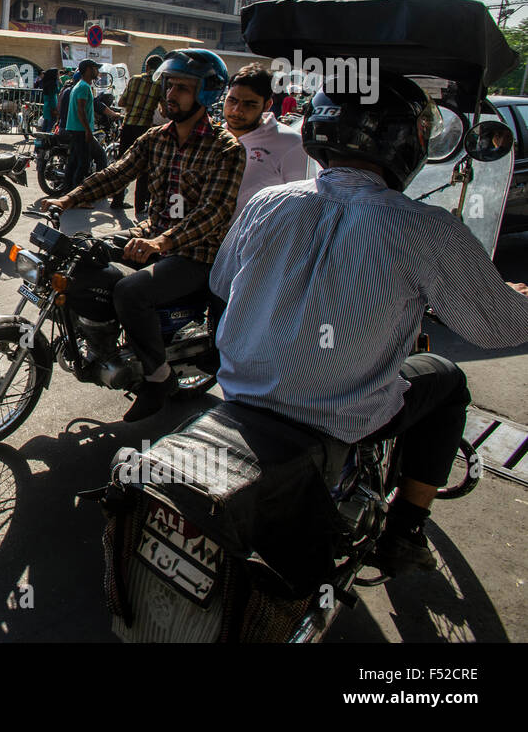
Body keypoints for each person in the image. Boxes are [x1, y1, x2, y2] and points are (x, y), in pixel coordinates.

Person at [210, 74, 528, 576]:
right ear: (410, 141)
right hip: (339, 415)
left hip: (240, 391)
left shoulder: (267, 202)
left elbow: (225, 284)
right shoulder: (425, 226)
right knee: (447, 382)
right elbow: (501, 330)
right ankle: (405, 530)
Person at [40, 49, 245, 421]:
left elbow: (214, 212)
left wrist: (160, 243)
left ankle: (157, 377)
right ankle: (101, 343)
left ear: (206, 94)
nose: (172, 94)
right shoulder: (155, 138)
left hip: (196, 253)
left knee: (130, 291)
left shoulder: (226, 148)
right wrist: (67, 199)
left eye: (184, 88)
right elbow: (117, 173)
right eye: (170, 85)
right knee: (83, 254)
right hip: (152, 233)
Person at [221, 63, 308, 222]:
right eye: (232, 100)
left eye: (249, 104)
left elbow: (299, 205)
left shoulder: (290, 143)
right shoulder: (214, 136)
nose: (237, 110)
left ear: (267, 105)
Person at [112, 54, 164, 214]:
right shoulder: (159, 84)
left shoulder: (134, 79)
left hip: (128, 126)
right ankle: (140, 205)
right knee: (144, 168)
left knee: (122, 164)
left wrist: (134, 103)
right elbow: (164, 109)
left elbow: (121, 103)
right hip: (144, 129)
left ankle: (117, 200)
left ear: (147, 67)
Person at [63, 59, 110, 198]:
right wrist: (88, 131)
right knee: (90, 161)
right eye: (96, 68)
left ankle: (68, 192)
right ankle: (80, 196)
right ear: (89, 70)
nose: (98, 72)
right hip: (81, 130)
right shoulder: (84, 87)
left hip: (75, 128)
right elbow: (81, 110)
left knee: (74, 162)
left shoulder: (80, 85)